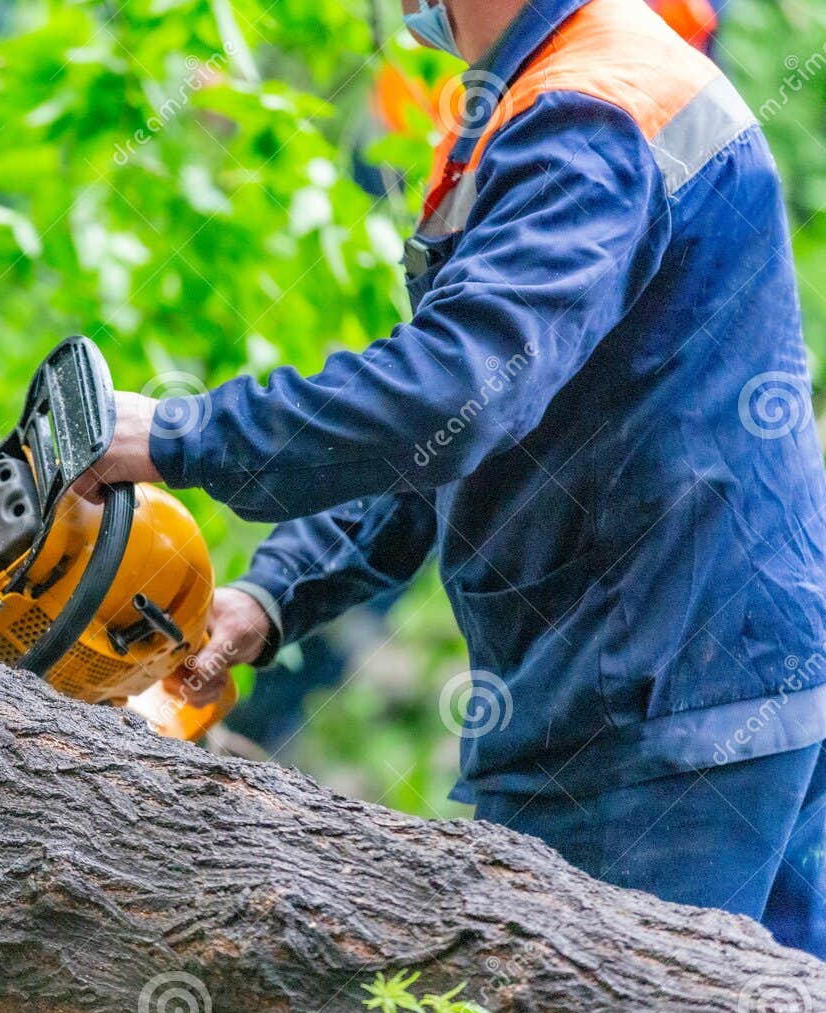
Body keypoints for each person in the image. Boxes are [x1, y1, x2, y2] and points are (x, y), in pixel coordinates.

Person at [90, 0, 826, 958]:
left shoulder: (590, 114)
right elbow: (458, 427)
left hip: (652, 718)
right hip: (721, 686)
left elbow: (451, 394)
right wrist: (272, 596)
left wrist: (176, 433)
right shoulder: (547, 92)